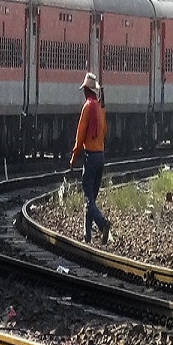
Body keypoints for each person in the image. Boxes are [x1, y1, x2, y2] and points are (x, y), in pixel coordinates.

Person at [69, 72, 112, 244]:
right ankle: (87, 236)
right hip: (101, 157)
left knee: (88, 199)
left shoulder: (88, 107)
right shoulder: (101, 108)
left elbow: (80, 136)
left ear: (87, 91)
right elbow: (104, 131)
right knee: (91, 200)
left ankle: (102, 224)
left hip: (91, 158)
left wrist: (74, 156)